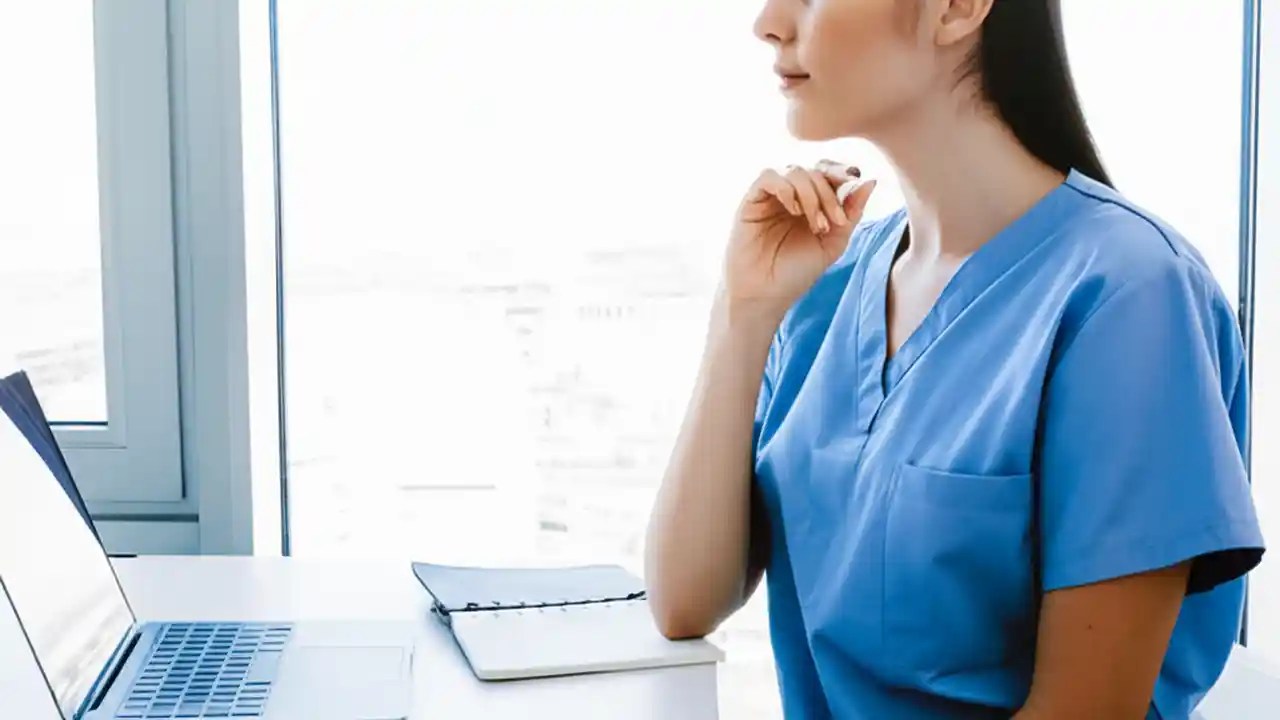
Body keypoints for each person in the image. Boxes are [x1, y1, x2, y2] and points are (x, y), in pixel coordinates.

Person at [643, 1, 1266, 718]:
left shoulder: (1129, 297)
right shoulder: (828, 286)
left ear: (957, 8)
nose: (769, 22)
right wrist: (742, 314)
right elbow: (684, 602)